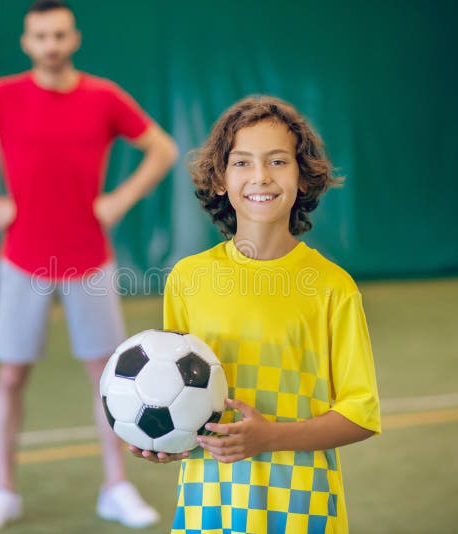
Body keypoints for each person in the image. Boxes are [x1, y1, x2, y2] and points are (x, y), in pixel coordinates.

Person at [0, 0, 178, 531]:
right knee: (12, 376)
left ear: (75, 38)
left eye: (60, 35)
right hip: (23, 261)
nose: (51, 45)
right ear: (27, 42)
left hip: (89, 259)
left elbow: (162, 149)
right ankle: (3, 491)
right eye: (41, 36)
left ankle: (116, 486)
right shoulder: (3, 96)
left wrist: (119, 199)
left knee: (108, 379)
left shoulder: (104, 97)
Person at [131, 96, 381, 534]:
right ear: (221, 180)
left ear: (303, 177)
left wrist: (271, 438)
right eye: (242, 163)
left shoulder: (332, 286)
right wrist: (166, 438)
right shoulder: (189, 279)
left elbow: (359, 414)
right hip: (211, 507)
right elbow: (182, 395)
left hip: (302, 508)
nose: (261, 176)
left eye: (278, 161)